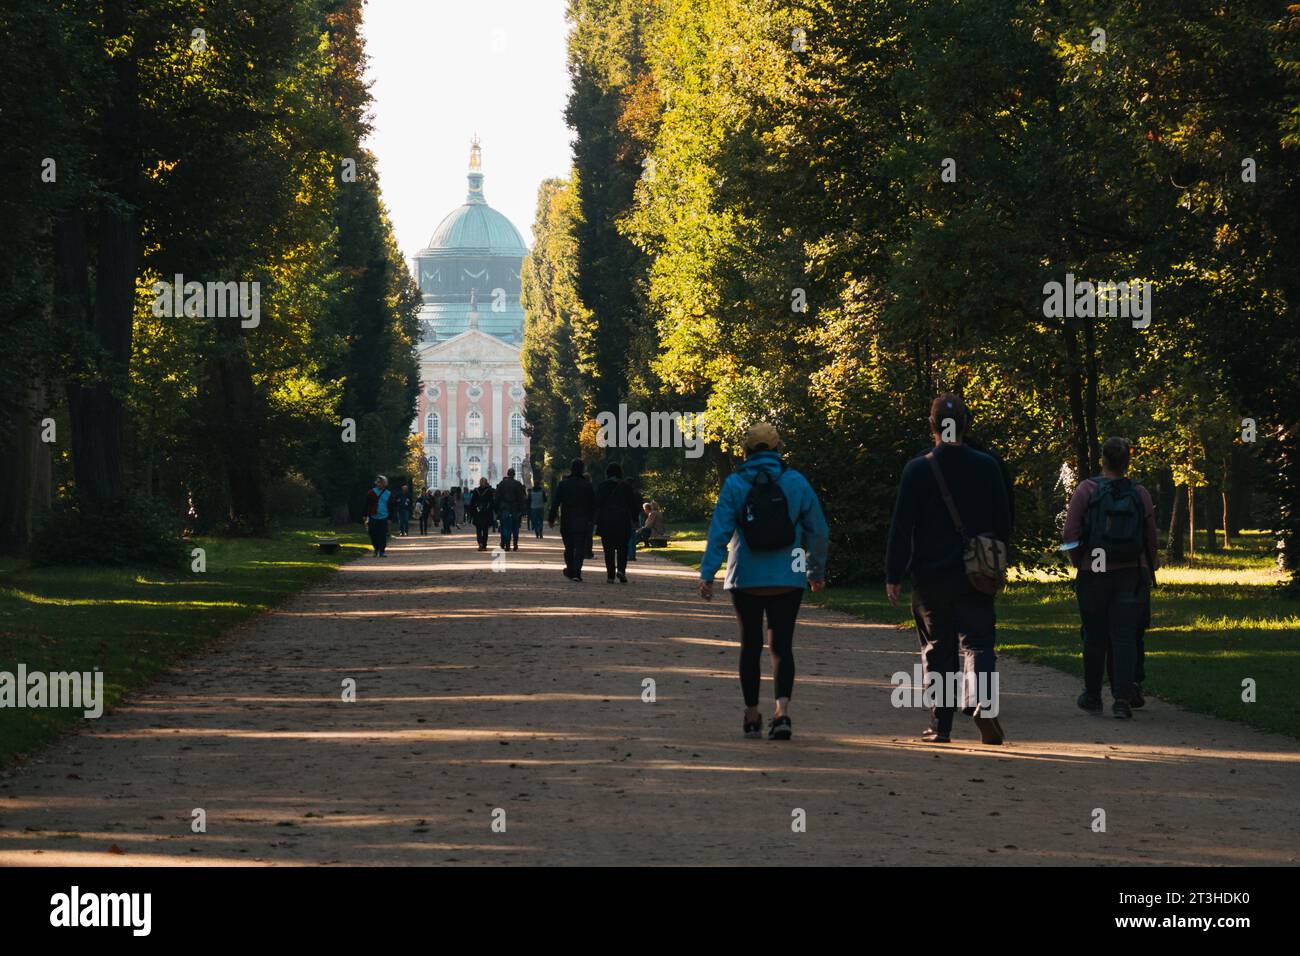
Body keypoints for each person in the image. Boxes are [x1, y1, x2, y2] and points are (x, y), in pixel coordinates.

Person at [884, 393, 1012, 745]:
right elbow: (1004, 520)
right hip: (975, 572)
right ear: (967, 426)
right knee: (979, 642)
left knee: (938, 648)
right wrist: (996, 559)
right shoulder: (988, 466)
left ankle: (941, 726)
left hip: (930, 575)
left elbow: (902, 526)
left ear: (932, 426)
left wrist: (893, 574)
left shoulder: (918, 468)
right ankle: (983, 702)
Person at [699, 424, 829, 741]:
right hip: (789, 576)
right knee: (782, 646)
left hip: (746, 576)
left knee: (750, 646)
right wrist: (815, 571)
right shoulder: (796, 482)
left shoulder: (734, 484)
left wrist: (708, 574)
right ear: (777, 448)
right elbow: (818, 531)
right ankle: (782, 713)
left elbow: (719, 532)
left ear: (746, 451)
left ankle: (752, 714)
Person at [1062, 437, 1159, 719]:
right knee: (1125, 636)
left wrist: (1080, 561)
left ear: (1102, 460)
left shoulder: (1087, 489)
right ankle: (1122, 699)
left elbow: (1070, 534)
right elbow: (1150, 535)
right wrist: (1150, 566)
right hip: (1129, 572)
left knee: (1094, 635)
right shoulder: (1140, 493)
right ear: (1128, 461)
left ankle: (1092, 696)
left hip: (1095, 571)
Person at [549, 459, 596, 581]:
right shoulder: (587, 485)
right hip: (582, 519)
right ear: (582, 469)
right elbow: (593, 504)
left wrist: (551, 518)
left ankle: (570, 569)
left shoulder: (563, 484)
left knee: (569, 547)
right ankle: (577, 572)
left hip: (567, 519)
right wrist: (592, 519)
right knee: (580, 546)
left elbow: (556, 502)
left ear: (571, 468)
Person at [595, 463, 641, 583]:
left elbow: (597, 503)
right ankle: (621, 570)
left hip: (606, 520)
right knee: (622, 547)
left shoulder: (603, 486)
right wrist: (635, 521)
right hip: (622, 520)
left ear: (608, 473)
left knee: (608, 549)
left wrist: (594, 519)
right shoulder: (626, 486)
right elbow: (633, 505)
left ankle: (610, 575)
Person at [496, 468, 528, 551]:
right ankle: (515, 543)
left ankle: (506, 543)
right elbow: (521, 498)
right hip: (515, 508)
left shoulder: (502, 484)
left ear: (507, 474)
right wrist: (522, 510)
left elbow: (497, 497)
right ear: (514, 474)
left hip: (504, 508)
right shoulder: (518, 484)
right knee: (515, 527)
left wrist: (497, 509)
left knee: (505, 527)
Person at [364, 475, 392, 557]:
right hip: (373, 516)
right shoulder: (371, 492)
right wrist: (365, 514)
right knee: (372, 533)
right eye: (377, 482)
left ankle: (382, 551)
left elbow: (391, 506)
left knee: (382, 535)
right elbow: (367, 504)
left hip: (384, 516)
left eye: (380, 482)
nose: (378, 484)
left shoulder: (388, 494)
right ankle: (376, 548)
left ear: (384, 483)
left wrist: (390, 518)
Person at [470, 477, 495, 551]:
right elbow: (492, 503)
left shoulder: (476, 491)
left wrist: (472, 512)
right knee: (485, 530)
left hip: (478, 512)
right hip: (486, 512)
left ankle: (480, 542)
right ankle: (484, 545)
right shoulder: (489, 491)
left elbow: (472, 503)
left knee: (478, 529)